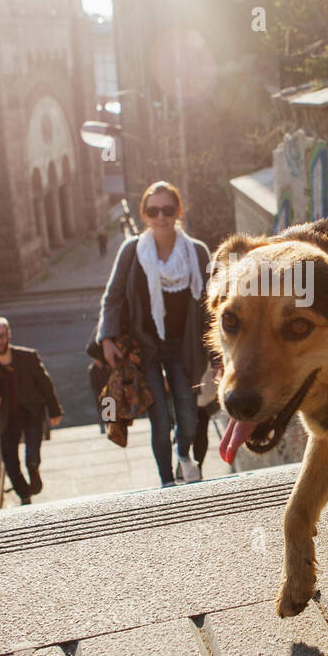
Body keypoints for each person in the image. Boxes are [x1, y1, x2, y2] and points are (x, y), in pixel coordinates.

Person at [97, 181, 211, 488]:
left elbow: (212, 307)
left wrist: (218, 355)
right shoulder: (133, 251)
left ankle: (183, 455)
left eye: (168, 209)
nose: (161, 216)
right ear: (145, 214)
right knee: (160, 420)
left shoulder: (197, 253)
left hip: (183, 348)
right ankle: (166, 483)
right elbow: (113, 296)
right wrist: (106, 339)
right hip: (144, 348)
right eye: (153, 210)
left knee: (188, 418)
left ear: (178, 211)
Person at [0, 316, 63, 504]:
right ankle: (24, 495)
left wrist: (54, 410)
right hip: (7, 419)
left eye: (1, 335)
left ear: (9, 334)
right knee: (10, 464)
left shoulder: (28, 357)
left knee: (32, 456)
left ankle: (35, 473)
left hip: (32, 413)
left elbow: (45, 384)